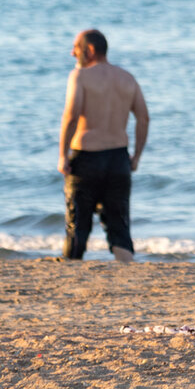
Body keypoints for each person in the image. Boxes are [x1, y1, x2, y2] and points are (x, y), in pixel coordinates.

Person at [58, 29, 149, 263]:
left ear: (89, 50)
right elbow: (144, 117)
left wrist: (62, 155)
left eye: (76, 48)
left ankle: (71, 271)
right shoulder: (127, 78)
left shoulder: (80, 76)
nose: (72, 53)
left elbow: (71, 115)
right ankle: (127, 271)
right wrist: (136, 156)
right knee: (119, 227)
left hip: (86, 158)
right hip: (118, 159)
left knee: (77, 226)